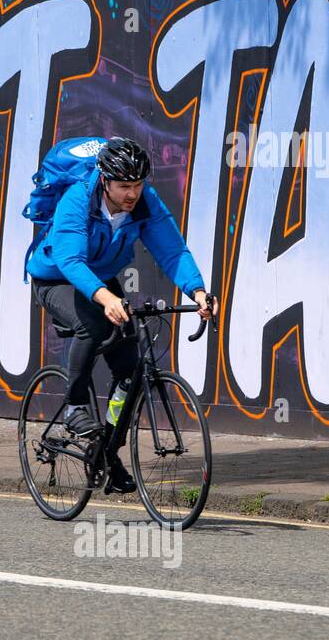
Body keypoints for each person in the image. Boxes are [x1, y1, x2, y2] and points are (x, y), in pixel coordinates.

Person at [26, 137, 217, 493]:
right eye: (124, 186)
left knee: (130, 371)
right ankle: (75, 408)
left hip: (99, 275)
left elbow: (172, 249)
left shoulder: (145, 203)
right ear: (104, 180)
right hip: (56, 278)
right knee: (93, 323)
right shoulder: (77, 200)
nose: (132, 194)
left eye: (138, 185)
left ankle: (106, 455)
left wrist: (198, 291)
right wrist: (105, 297)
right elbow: (70, 260)